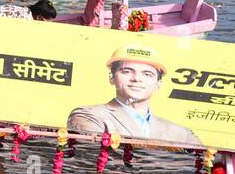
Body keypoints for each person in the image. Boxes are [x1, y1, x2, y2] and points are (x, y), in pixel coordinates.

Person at [66, 45, 202, 145]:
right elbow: (91, 158)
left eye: (147, 74)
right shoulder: (87, 116)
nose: (137, 79)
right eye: (126, 71)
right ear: (111, 78)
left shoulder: (182, 133)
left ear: (158, 84)